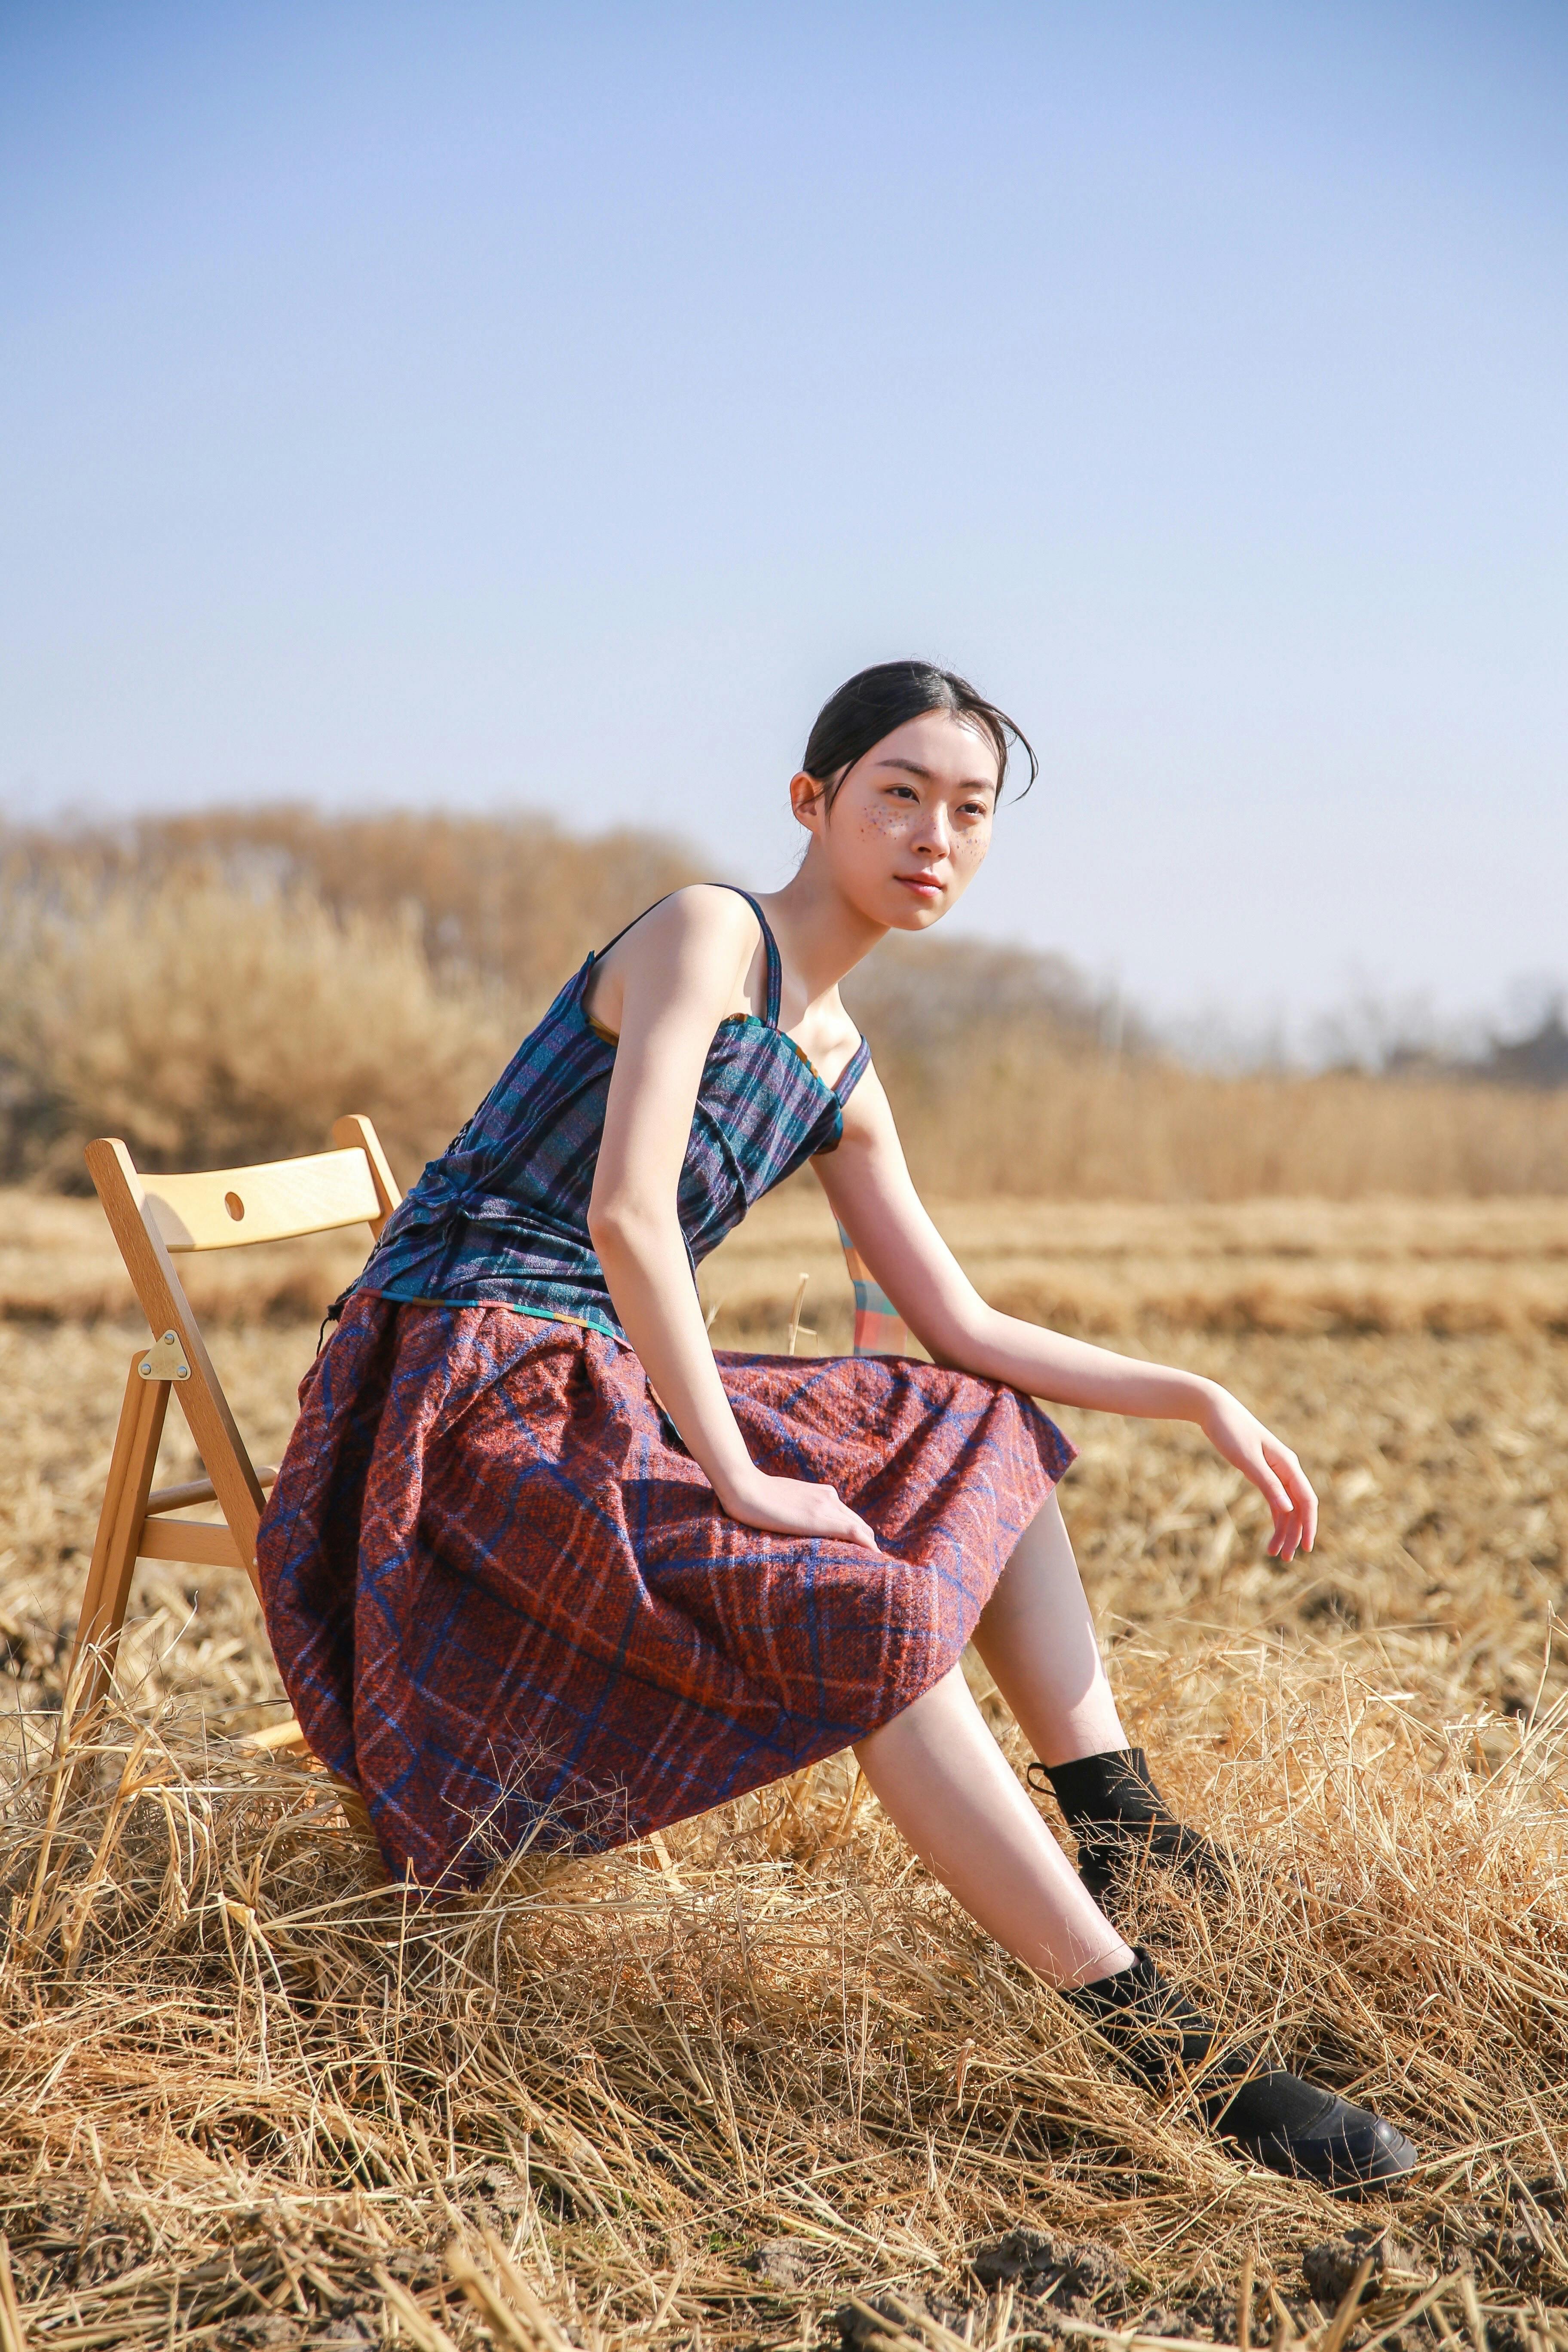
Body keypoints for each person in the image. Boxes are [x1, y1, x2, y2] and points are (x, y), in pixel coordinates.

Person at [257, 660, 1415, 2193]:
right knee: (850, 1605)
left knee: (965, 1415)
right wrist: (735, 1474)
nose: (934, 835)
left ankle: (1119, 1817)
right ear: (812, 804)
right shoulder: (704, 935)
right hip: (464, 1387)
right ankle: (1173, 2051)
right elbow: (624, 1214)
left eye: (969, 811)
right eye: (899, 795)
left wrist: (1195, 1389)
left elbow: (963, 1326)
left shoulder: (840, 1065)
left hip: (596, 1373)